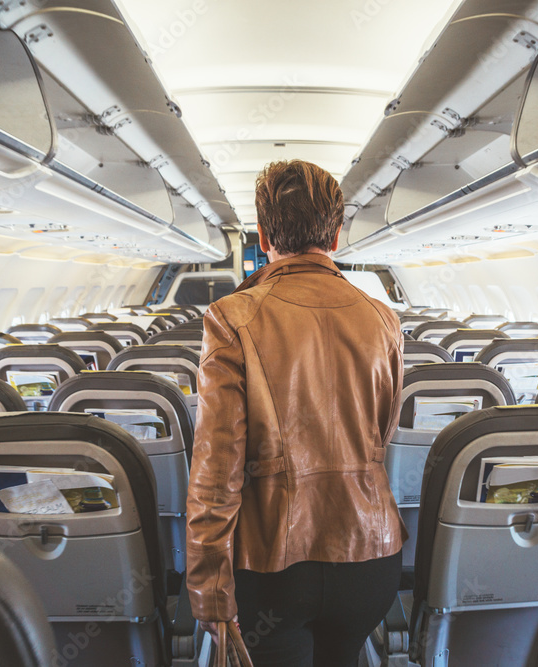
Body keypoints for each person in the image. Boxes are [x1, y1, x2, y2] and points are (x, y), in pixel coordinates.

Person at [186, 159, 407, 666]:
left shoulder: (232, 317)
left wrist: (207, 585)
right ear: (335, 234)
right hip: (371, 553)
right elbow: (382, 433)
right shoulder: (382, 318)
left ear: (263, 234)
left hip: (276, 567)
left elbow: (216, 470)